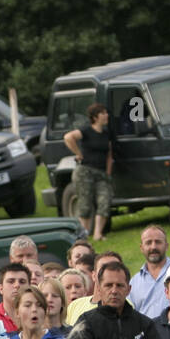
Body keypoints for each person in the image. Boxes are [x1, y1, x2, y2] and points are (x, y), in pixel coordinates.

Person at [63, 103, 113, 241]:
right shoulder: (86, 131)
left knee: (105, 200)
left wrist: (108, 173)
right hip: (85, 172)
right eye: (103, 113)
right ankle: (83, 236)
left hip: (101, 173)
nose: (106, 115)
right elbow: (68, 137)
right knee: (85, 204)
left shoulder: (106, 134)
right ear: (95, 117)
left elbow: (109, 154)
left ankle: (98, 234)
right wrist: (78, 153)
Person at [128, 225, 170, 319]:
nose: (153, 247)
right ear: (141, 248)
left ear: (166, 246)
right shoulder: (134, 282)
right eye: (148, 243)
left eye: (158, 242)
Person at [0, 262, 30, 335]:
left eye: (22, 281)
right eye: (11, 281)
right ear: (1, 288)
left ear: (29, 288)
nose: (17, 285)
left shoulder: (38, 316)